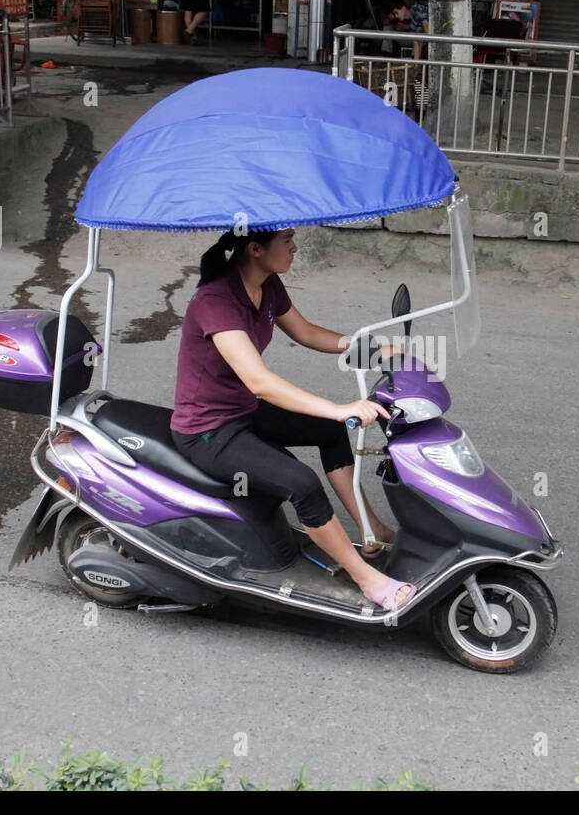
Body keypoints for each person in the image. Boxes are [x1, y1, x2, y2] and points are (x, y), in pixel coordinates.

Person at [169, 227, 415, 611]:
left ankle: (373, 532)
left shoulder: (268, 286)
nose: (294, 247)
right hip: (208, 431)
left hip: (243, 410)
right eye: (286, 240)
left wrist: (372, 348)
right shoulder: (215, 301)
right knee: (302, 483)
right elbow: (260, 381)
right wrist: (339, 407)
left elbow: (307, 332)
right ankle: (367, 580)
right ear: (255, 249)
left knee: (332, 431)